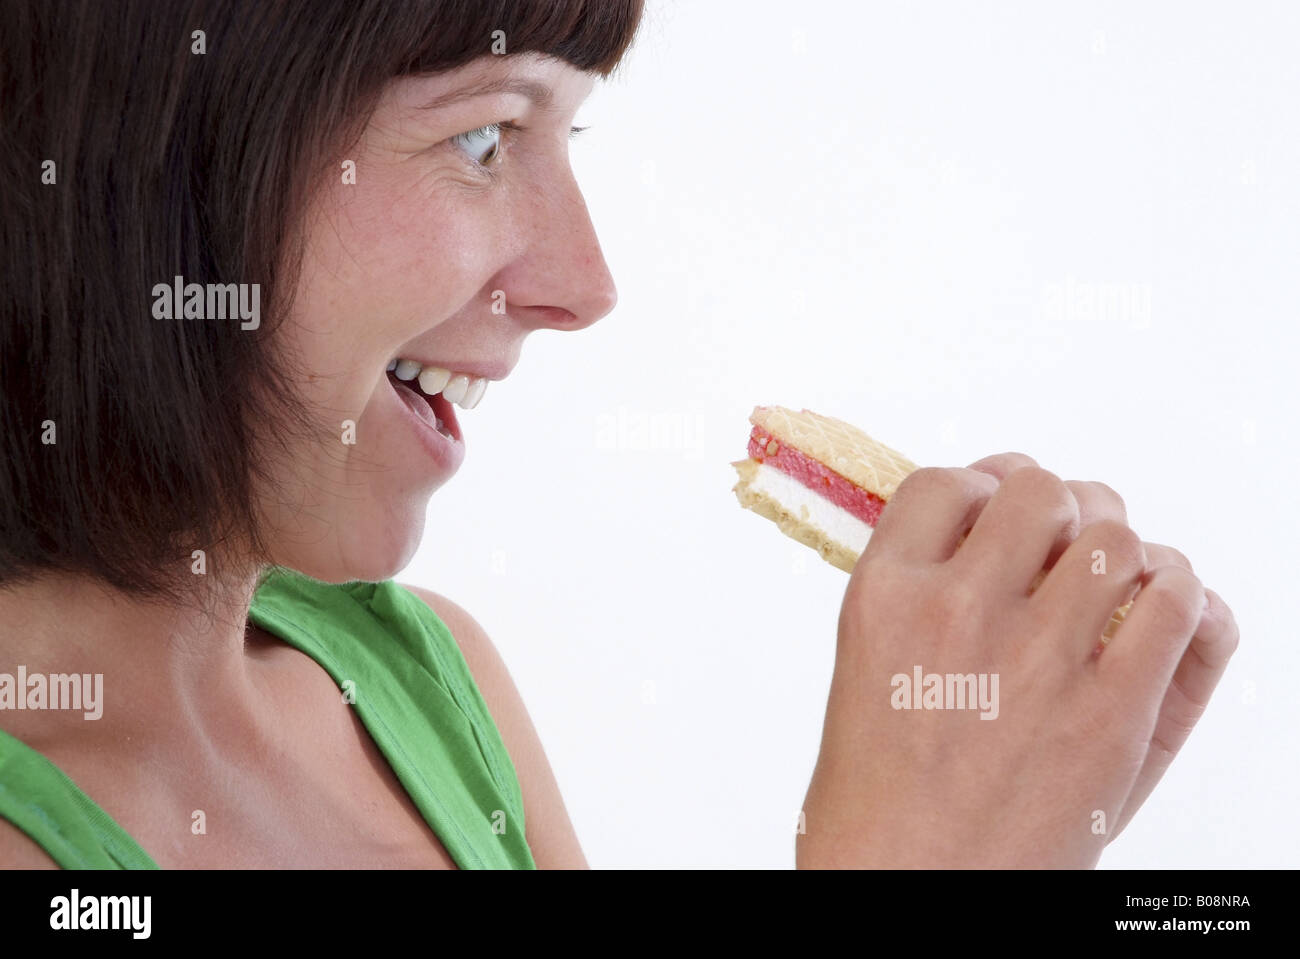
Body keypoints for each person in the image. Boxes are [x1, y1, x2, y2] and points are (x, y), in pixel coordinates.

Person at [0, 0, 1238, 870]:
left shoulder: (428, 681)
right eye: (483, 138)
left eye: (567, 136)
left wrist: (1003, 824)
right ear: (147, 168)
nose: (585, 285)